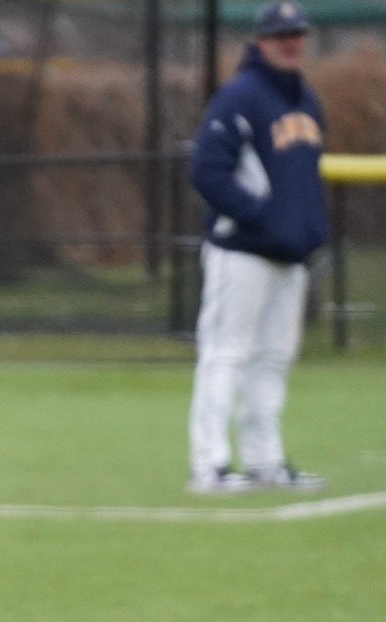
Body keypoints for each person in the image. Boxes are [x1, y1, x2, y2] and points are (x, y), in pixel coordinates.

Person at [185, 0, 329, 494]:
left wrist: (304, 229)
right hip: (241, 250)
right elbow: (206, 169)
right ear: (261, 41)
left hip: (289, 255)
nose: (291, 42)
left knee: (272, 358)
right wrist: (259, 216)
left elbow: (304, 178)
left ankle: (265, 461)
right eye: (281, 35)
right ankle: (210, 466)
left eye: (298, 34)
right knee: (225, 354)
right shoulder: (239, 97)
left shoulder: (305, 99)